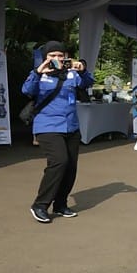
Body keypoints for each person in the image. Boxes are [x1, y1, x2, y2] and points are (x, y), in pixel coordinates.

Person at [23, 40, 94, 223]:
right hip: (47, 125)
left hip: (71, 126)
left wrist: (83, 70)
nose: (56, 59)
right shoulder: (39, 74)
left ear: (66, 57)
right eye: (52, 56)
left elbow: (87, 83)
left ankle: (60, 204)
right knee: (59, 161)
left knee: (70, 166)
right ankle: (40, 205)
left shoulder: (71, 73)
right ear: (45, 58)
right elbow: (27, 90)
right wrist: (38, 72)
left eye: (60, 56)